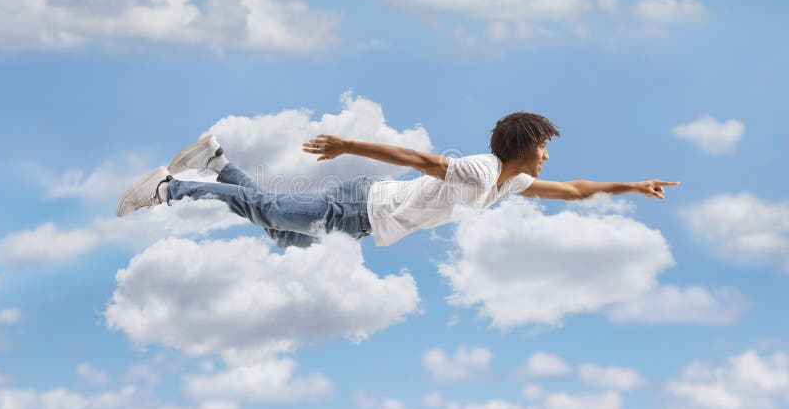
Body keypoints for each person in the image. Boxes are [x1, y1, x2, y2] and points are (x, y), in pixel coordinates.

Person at [115, 112, 679, 248]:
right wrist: (346, 144)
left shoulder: (508, 184)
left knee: (278, 229)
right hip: (357, 207)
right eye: (543, 147)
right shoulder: (483, 168)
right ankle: (168, 187)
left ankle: (212, 159)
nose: (547, 158)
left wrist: (631, 186)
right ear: (520, 147)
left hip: (364, 225)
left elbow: (575, 190)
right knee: (266, 210)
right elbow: (418, 160)